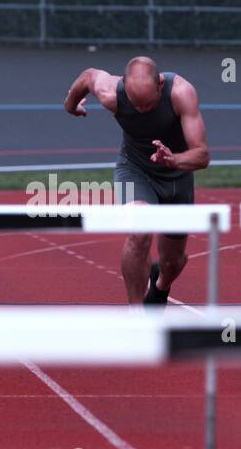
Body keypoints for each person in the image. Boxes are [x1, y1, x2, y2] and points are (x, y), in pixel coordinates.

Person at [65, 56, 210, 305]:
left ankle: (161, 285)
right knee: (139, 232)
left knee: (173, 261)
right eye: (136, 104)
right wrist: (71, 105)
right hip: (135, 169)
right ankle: (136, 314)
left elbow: (202, 155)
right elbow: (88, 75)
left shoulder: (181, 93)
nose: (142, 110)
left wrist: (173, 160)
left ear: (160, 85)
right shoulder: (111, 93)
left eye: (149, 105)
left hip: (177, 175)